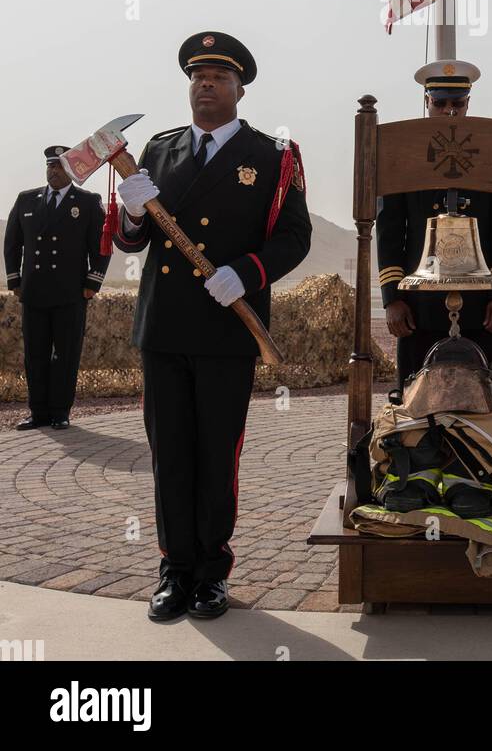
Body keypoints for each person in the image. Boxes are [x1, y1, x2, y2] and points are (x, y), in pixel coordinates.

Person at [113, 31, 312, 622]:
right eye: (197, 77)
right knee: (169, 452)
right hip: (166, 327)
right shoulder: (158, 149)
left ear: (240, 89)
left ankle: (211, 573)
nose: (205, 85)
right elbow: (133, 241)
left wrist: (247, 273)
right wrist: (128, 209)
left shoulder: (272, 155)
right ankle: (174, 570)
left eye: (219, 77)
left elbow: (293, 237)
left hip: (227, 330)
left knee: (216, 453)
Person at [376, 60, 492, 388]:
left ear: (469, 103)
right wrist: (392, 298)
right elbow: (390, 230)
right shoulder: (404, 157)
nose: (449, 111)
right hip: (418, 309)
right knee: (415, 402)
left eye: (458, 103)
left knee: (484, 400)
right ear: (427, 102)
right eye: (440, 103)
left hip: (481, 308)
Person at [4, 145, 110, 430]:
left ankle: (60, 411)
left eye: (59, 167)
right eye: (50, 166)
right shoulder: (27, 200)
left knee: (65, 354)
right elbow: (12, 243)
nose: (53, 171)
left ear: (70, 171)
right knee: (35, 354)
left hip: (71, 293)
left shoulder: (87, 202)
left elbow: (101, 247)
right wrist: (15, 281)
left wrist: (93, 282)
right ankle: (38, 412)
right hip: (34, 292)